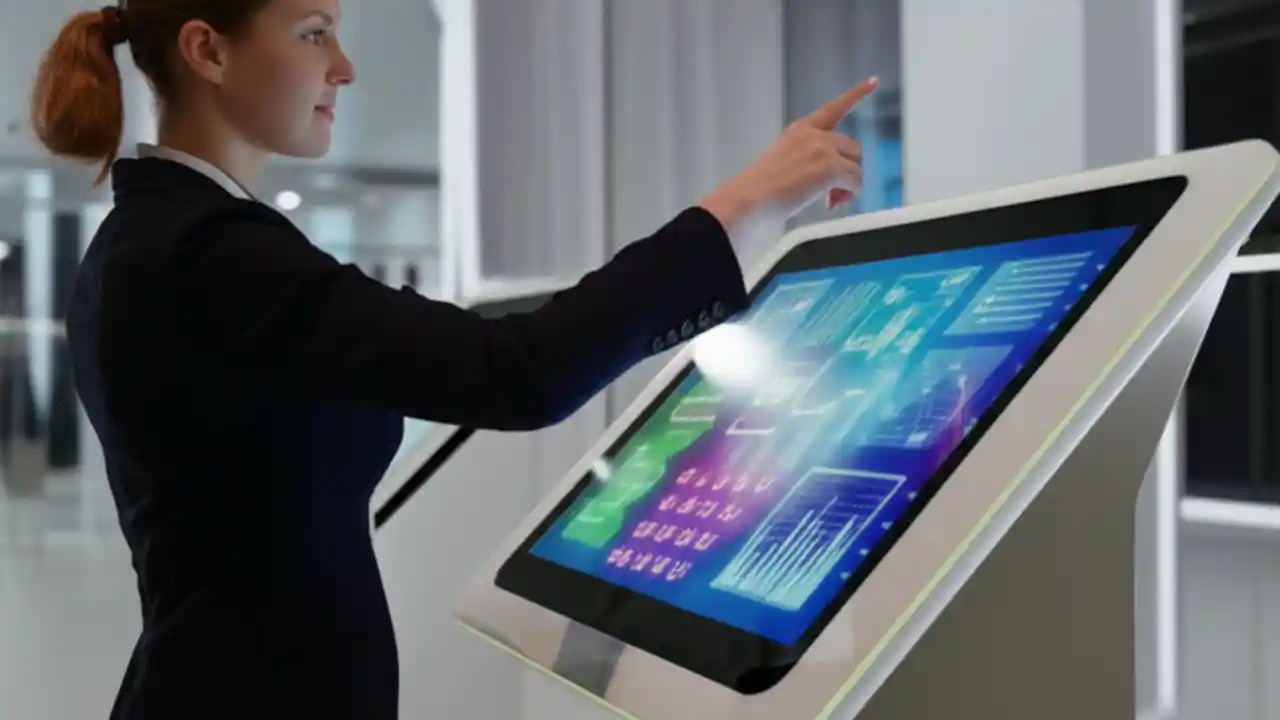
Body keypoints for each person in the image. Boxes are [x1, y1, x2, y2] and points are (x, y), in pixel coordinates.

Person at [30, 0, 876, 717]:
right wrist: (747, 202)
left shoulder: (155, 237)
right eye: (316, 33)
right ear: (208, 50)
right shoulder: (208, 251)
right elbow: (519, 372)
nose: (345, 68)